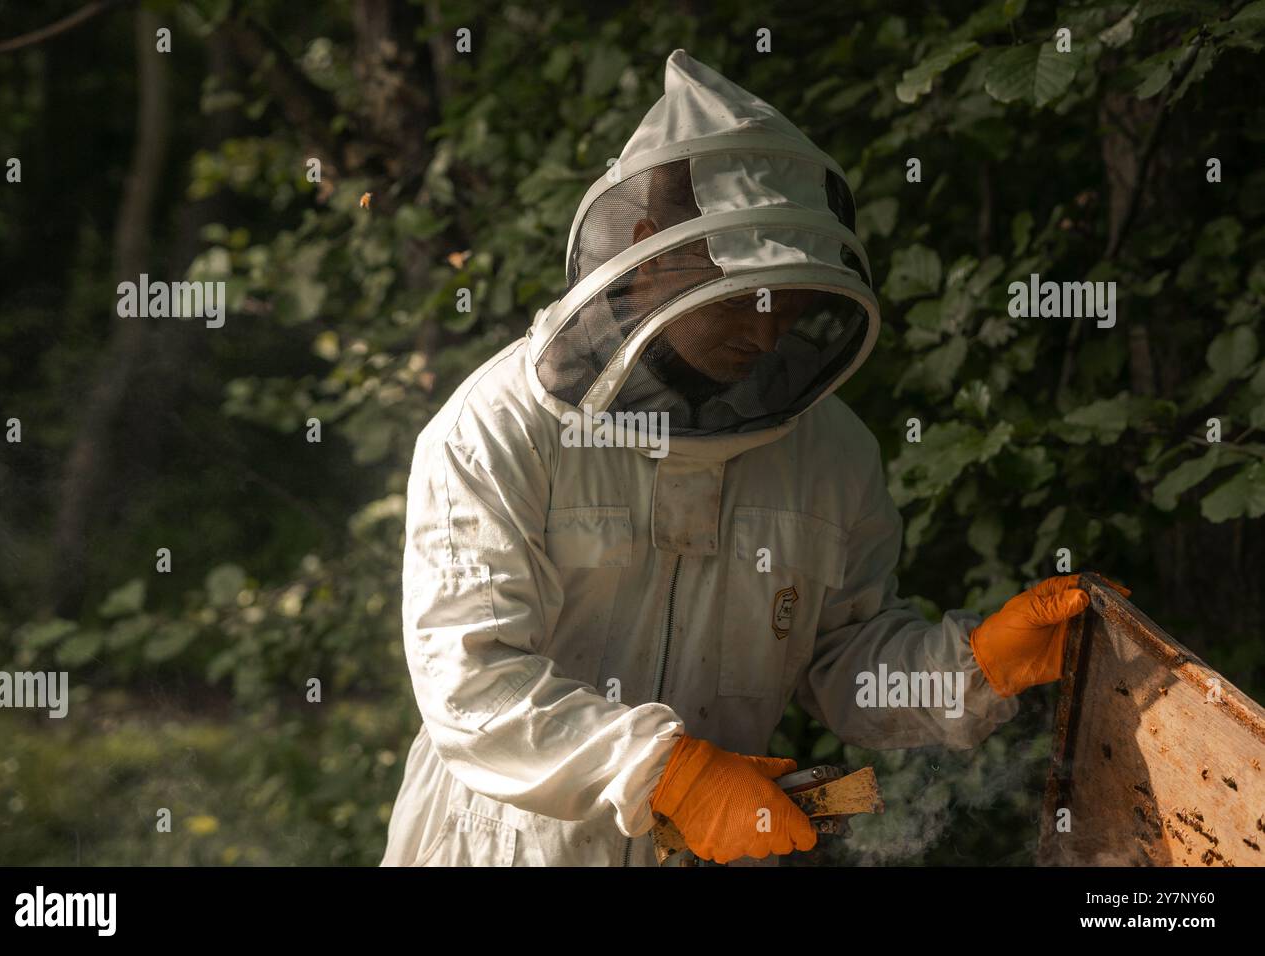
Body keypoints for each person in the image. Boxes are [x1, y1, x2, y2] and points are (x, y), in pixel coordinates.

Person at [379, 49, 1122, 867]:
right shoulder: (496, 431)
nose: (766, 333)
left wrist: (973, 666)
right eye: (743, 296)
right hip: (503, 848)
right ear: (648, 248)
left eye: (791, 302)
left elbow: (845, 660)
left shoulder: (831, 452)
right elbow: (474, 685)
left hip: (716, 847)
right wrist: (671, 774)